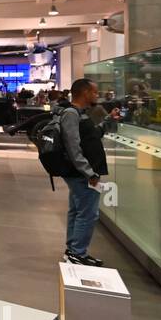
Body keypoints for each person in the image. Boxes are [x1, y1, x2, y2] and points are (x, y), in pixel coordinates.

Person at [58, 78, 108, 266]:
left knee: (78, 211)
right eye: (95, 92)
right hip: (81, 174)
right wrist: (89, 173)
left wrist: (109, 120)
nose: (97, 95)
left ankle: (73, 251)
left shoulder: (81, 114)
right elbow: (73, 147)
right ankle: (78, 253)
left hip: (82, 172)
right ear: (85, 92)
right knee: (88, 213)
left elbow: (91, 137)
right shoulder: (71, 114)